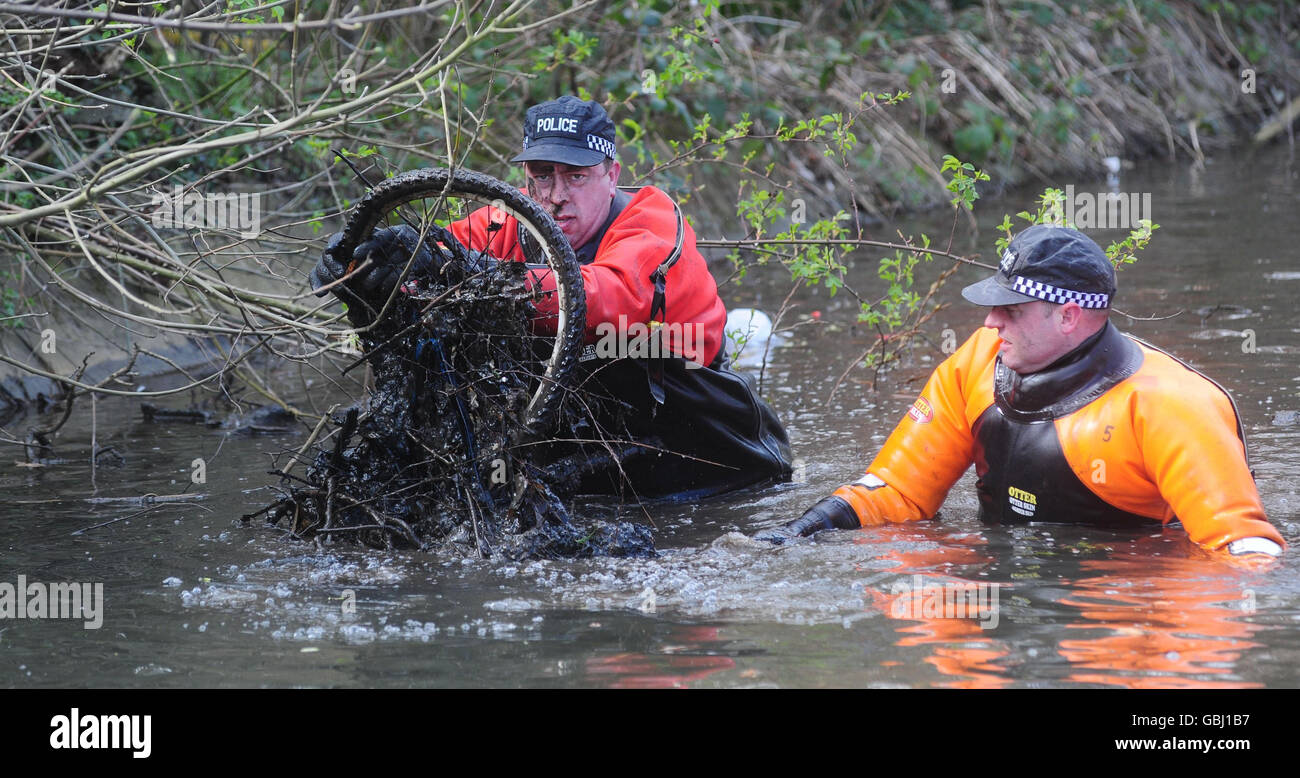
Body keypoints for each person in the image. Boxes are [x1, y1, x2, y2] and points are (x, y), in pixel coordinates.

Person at [312, 96, 792, 498]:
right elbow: (442, 247)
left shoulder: (653, 226)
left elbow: (605, 298)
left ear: (611, 174)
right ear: (526, 181)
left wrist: (475, 274)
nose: (556, 195)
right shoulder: (509, 224)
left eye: (576, 176)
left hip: (706, 449)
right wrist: (365, 264)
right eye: (543, 176)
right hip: (586, 447)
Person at [758, 224, 1285, 559]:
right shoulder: (978, 361)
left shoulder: (1169, 405)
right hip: (1001, 582)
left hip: (1121, 603)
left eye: (1010, 309)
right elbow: (899, 492)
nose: (989, 321)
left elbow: (1243, 552)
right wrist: (800, 530)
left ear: (1069, 315)